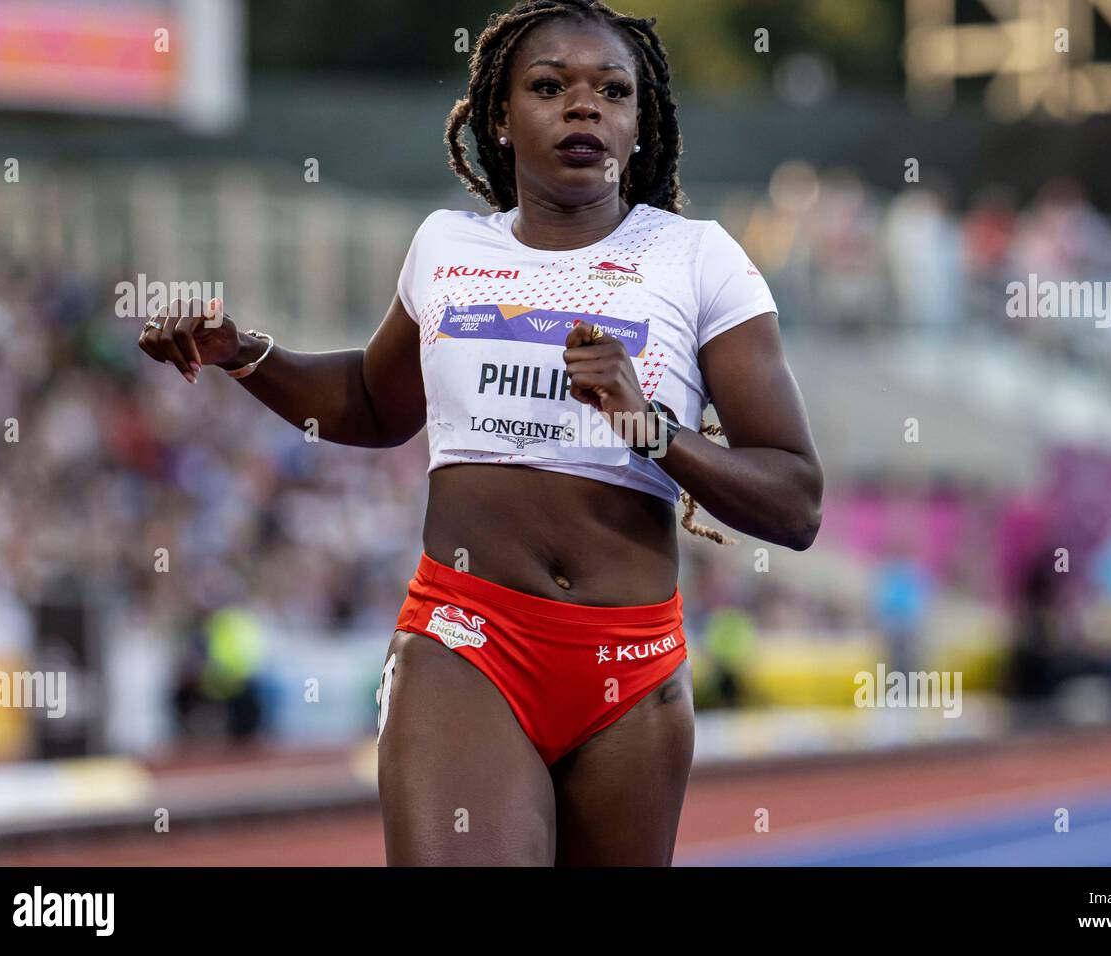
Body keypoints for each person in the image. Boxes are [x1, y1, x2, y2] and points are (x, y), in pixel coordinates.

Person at [137, 0, 822, 866]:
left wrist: (653, 429)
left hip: (633, 667)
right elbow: (371, 403)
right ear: (499, 117)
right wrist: (246, 354)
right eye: (550, 87)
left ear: (640, 124)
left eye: (613, 91)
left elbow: (796, 501)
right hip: (468, 641)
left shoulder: (700, 260)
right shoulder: (446, 247)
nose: (585, 107)